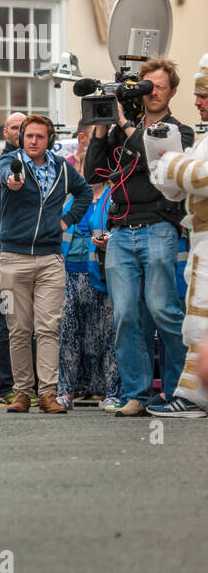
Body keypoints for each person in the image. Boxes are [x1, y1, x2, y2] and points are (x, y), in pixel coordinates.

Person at [84, 57, 194, 416]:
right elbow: (93, 173)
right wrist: (103, 126)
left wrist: (125, 126)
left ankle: (182, 391)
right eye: (146, 86)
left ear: (172, 91)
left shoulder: (180, 131)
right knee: (126, 315)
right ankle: (137, 393)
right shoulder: (121, 130)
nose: (152, 93)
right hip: (121, 230)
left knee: (163, 310)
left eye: (159, 86)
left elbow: (158, 165)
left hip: (160, 227)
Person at [0, 115, 92, 413]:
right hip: (12, 258)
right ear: (20, 138)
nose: (33, 141)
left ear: (49, 140)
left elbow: (85, 193)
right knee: (18, 328)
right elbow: (5, 177)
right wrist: (13, 180)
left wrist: (66, 221)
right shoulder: (11, 163)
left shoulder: (63, 167)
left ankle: (48, 393)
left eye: (39, 136)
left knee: (49, 327)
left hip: (51, 258)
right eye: (28, 136)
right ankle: (22, 392)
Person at [147, 65, 208, 418]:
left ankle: (194, 396)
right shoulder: (203, 139)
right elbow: (181, 186)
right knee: (198, 316)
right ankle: (192, 393)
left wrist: (170, 164)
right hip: (200, 239)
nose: (197, 102)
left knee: (200, 318)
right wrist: (164, 169)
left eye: (203, 95)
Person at [59, 181, 120, 408]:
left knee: (107, 334)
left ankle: (112, 391)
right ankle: (65, 392)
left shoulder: (113, 195)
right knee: (68, 334)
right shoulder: (69, 196)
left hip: (102, 273)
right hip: (69, 272)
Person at [0, 110, 26, 405]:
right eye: (14, 127)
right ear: (6, 132)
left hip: (35, 247)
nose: (18, 132)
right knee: (7, 316)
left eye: (23, 127)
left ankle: (29, 385)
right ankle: (3, 387)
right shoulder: (5, 161)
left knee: (34, 319)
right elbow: (7, 174)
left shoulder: (41, 160)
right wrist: (14, 179)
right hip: (5, 248)